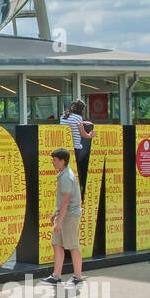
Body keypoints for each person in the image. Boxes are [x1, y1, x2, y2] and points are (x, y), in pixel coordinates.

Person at [44, 148, 83, 285]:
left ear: (62, 161)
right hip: (65, 214)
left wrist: (58, 222)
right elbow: (63, 201)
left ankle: (78, 277)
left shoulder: (66, 177)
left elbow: (66, 201)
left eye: (54, 160)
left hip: (70, 216)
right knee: (57, 244)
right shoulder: (63, 174)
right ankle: (56, 276)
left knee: (72, 246)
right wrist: (56, 213)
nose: (53, 163)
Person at [60, 99, 94, 172]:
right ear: (81, 109)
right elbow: (83, 134)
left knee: (66, 168)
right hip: (75, 147)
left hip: (65, 147)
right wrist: (90, 135)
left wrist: (83, 122)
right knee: (77, 169)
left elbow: (71, 123)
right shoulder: (78, 118)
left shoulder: (63, 117)